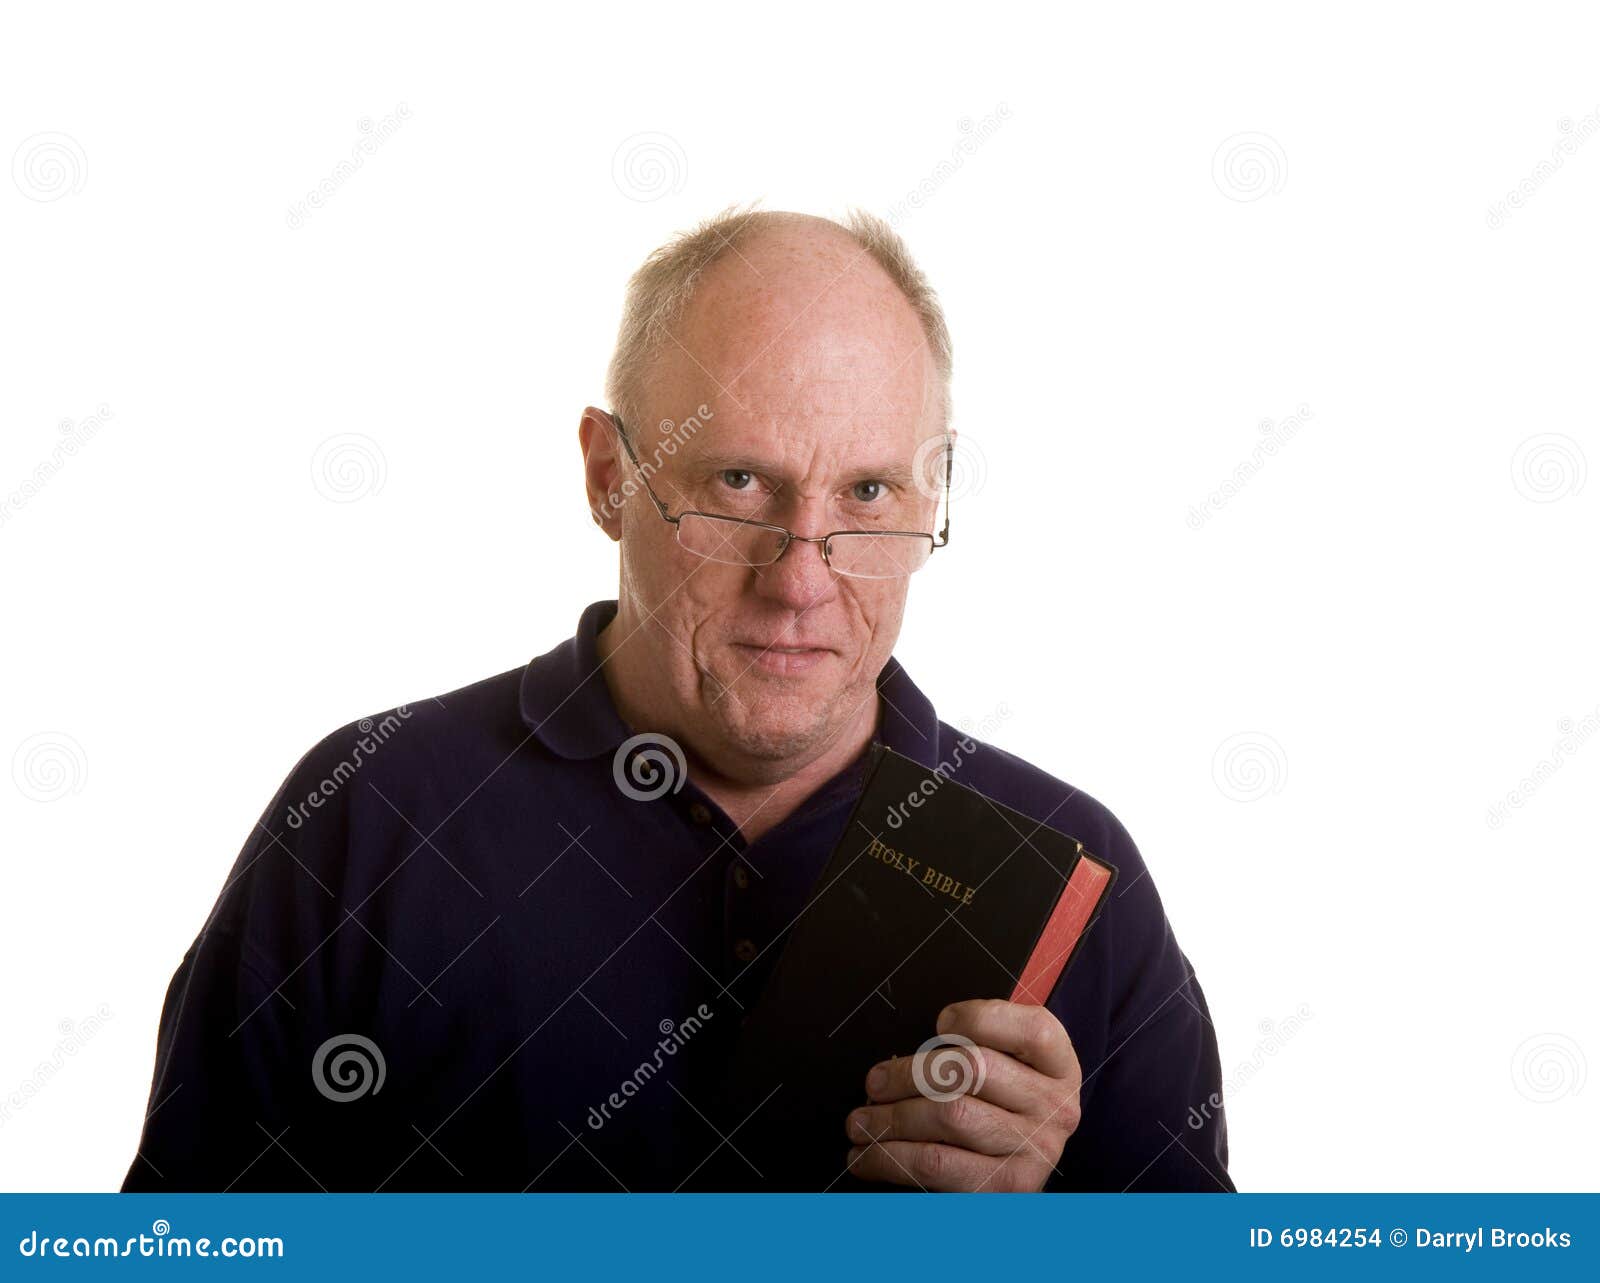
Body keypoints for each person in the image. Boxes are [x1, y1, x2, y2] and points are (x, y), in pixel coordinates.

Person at [122, 206, 1232, 1192]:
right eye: (738, 481)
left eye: (868, 491)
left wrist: (1045, 1227)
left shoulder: (1072, 872)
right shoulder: (369, 816)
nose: (801, 579)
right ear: (609, 475)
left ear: (929, 498)